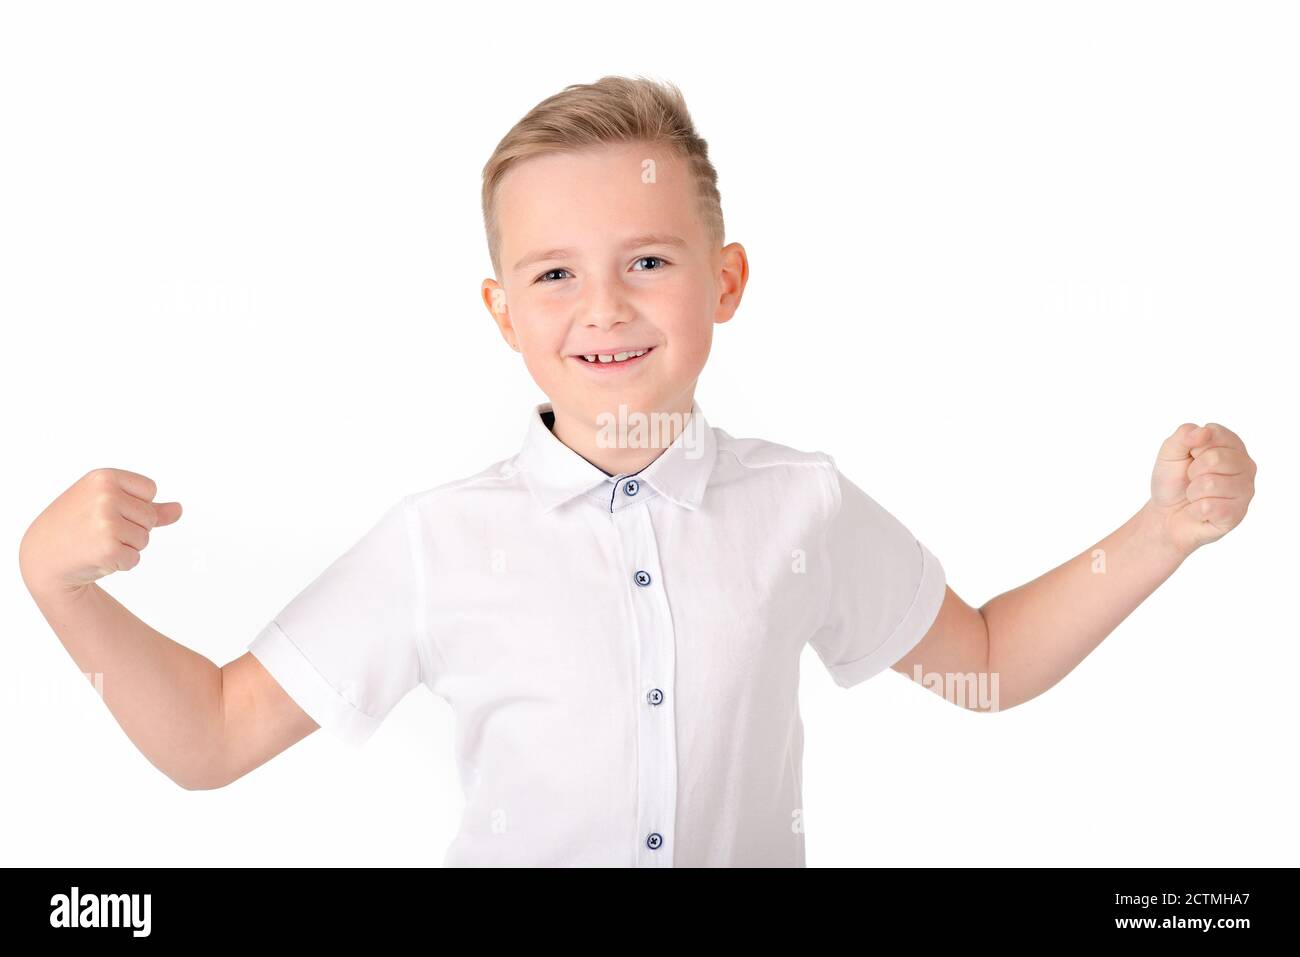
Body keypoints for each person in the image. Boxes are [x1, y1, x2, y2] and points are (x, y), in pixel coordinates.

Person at [18, 75, 1257, 867]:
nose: (602, 305)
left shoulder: (800, 505)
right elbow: (216, 739)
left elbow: (982, 664)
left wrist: (1156, 532)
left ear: (724, 282)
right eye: (554, 273)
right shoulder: (437, 541)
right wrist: (60, 586)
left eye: (649, 263)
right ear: (505, 314)